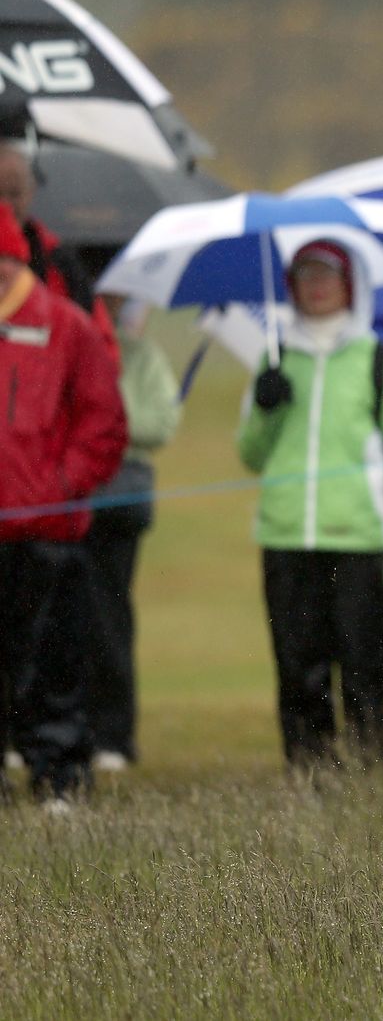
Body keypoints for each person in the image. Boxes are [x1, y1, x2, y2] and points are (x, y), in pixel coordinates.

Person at [236, 238, 383, 768]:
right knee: (299, 669)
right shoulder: (274, 360)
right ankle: (310, 778)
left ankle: (373, 777)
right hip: (287, 537)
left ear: (349, 285)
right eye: (304, 277)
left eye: (327, 276)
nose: (316, 288)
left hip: (359, 540)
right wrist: (266, 406)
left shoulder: (381, 362)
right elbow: (250, 454)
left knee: (368, 668)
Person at [0, 202, 127, 805]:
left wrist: (62, 483)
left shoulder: (68, 325)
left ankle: (59, 780)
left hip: (48, 533)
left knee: (54, 664)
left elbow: (104, 422)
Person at [82, 295, 182, 770]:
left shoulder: (142, 356)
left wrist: (105, 420)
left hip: (120, 501)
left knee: (108, 613)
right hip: (68, 495)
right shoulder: (72, 341)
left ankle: (112, 736)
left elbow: (159, 422)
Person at [0, 144, 113, 361]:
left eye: (14, 193)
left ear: (31, 193)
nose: (4, 205)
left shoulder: (60, 265)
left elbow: (102, 357)